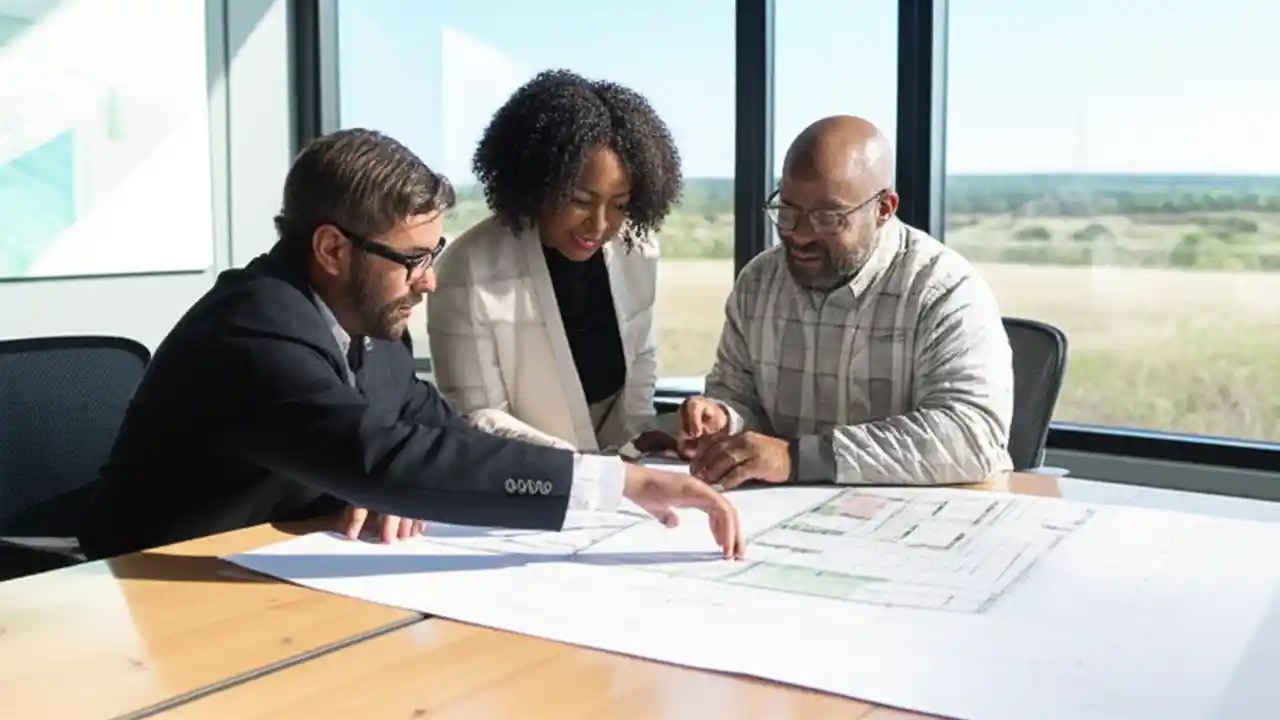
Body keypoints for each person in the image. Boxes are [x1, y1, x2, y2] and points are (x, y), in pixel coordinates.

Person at [77, 128, 742, 561]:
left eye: (435, 253)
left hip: (262, 572)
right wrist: (619, 484)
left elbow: (437, 435)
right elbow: (385, 455)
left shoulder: (371, 324)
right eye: (413, 258)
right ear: (333, 248)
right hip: (140, 597)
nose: (429, 282)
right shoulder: (252, 330)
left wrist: (354, 486)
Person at [673, 115, 1014, 489]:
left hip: (910, 527)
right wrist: (724, 419)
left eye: (828, 217)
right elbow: (739, 398)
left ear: (884, 209)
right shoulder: (758, 283)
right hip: (783, 519)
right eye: (787, 211)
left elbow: (971, 436)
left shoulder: (944, 291)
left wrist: (797, 458)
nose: (800, 235)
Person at [428, 70, 681, 454]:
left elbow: (640, 359)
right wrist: (594, 474)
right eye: (581, 199)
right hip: (527, 483)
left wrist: (638, 442)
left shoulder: (637, 248)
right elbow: (478, 417)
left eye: (619, 204)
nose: (599, 225)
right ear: (540, 181)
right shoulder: (467, 269)